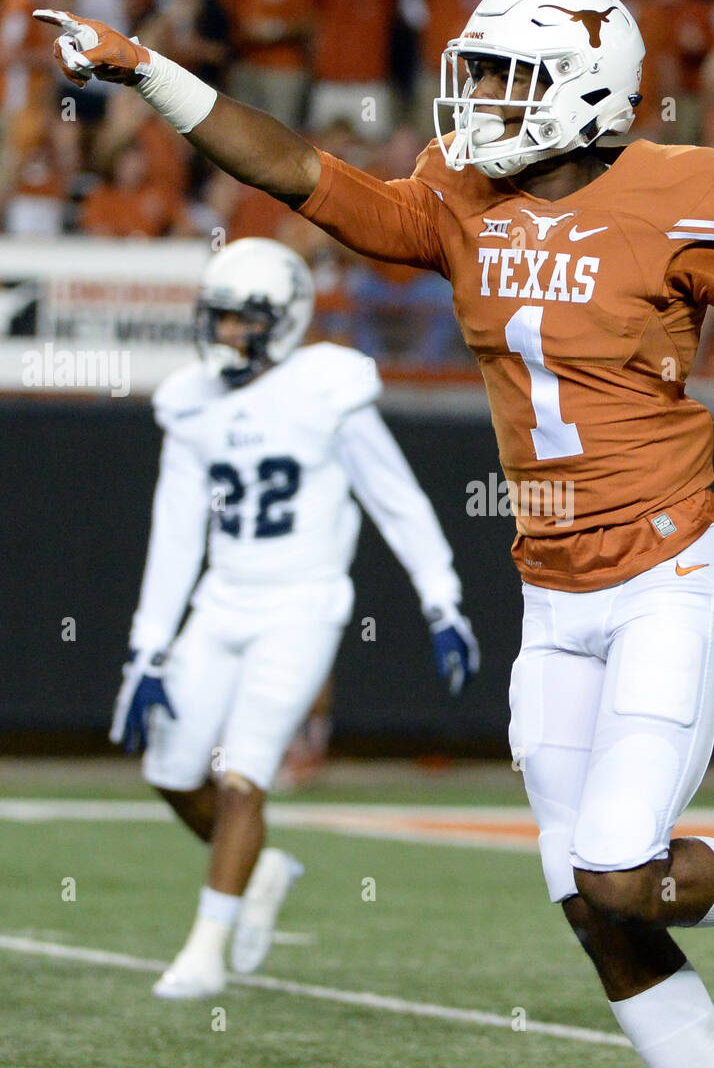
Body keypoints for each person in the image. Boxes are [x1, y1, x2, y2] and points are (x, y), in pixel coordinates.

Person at [36, 0, 714, 1068]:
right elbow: (298, 173)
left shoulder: (678, 195)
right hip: (551, 591)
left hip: (665, 566)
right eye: (483, 74)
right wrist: (148, 69)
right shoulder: (461, 196)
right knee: (589, 903)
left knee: (619, 870)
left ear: (586, 90)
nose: (482, 102)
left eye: (511, 79)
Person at [108, 236, 478, 999]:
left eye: (242, 320)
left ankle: (205, 947)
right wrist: (147, 649)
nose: (225, 335)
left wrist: (440, 596)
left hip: (302, 603)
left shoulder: (325, 386)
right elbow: (176, 533)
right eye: (219, 319)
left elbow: (396, 500)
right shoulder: (190, 405)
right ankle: (262, 867)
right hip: (221, 599)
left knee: (245, 777)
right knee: (171, 772)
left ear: (282, 319)